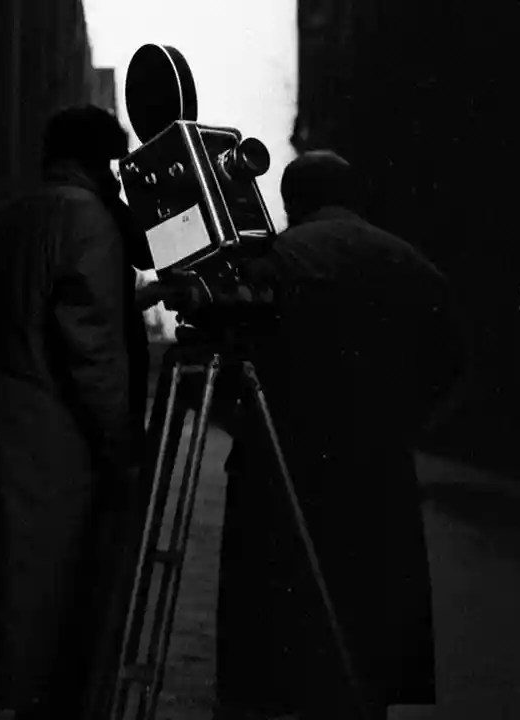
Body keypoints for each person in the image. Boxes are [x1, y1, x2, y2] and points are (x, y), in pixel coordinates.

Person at [176, 150, 466, 719]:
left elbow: (225, 357)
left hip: (283, 466)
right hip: (379, 469)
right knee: (367, 641)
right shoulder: (410, 261)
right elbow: (451, 362)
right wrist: (404, 422)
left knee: (274, 641)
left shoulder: (275, 260)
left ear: (290, 202)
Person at [0, 105, 161, 720]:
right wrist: (121, 450)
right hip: (47, 446)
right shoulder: (89, 222)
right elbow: (90, 347)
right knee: (37, 610)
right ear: (102, 160)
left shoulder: (2, 220)